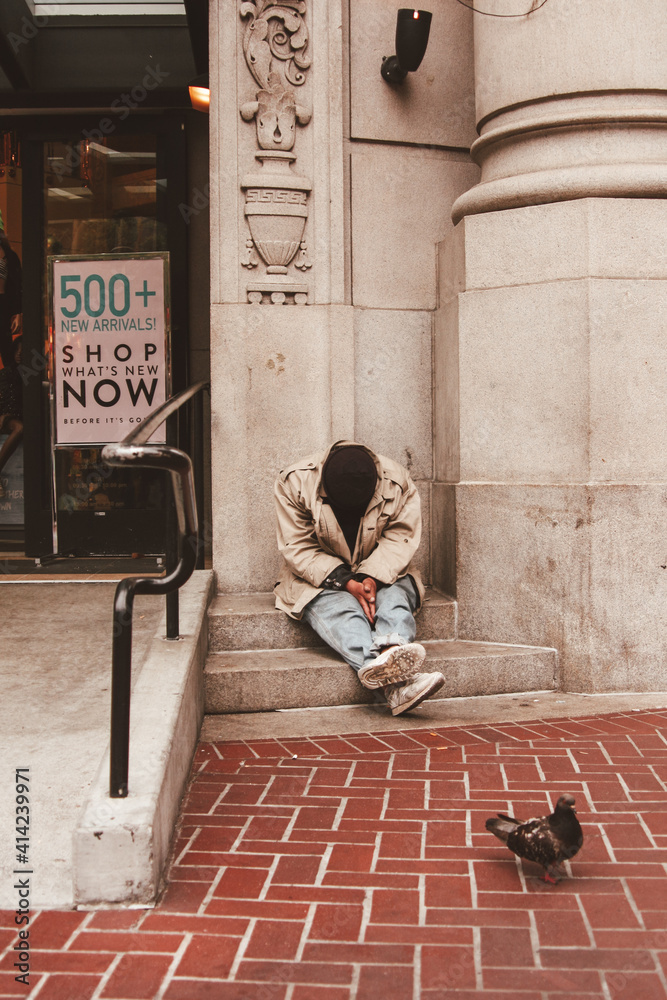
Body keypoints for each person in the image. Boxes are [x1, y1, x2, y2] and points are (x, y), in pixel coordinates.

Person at [274, 440, 445, 716]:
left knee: (394, 597)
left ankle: (392, 651)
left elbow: (400, 539)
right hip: (315, 578)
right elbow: (298, 547)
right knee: (341, 611)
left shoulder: (397, 483)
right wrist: (345, 581)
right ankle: (399, 684)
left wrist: (370, 578)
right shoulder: (293, 483)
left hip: (384, 571)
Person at [0, 337, 23, 500]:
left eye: (23, 350)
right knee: (19, 428)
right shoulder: (6, 373)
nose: (19, 353)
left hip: (20, 417)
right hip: (7, 417)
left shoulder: (35, 373)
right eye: (17, 349)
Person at [0, 217, 23, 370]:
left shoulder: (9, 256)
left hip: (4, 304)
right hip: (5, 304)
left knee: (5, 344)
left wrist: (18, 312)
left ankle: (10, 382)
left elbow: (18, 285)